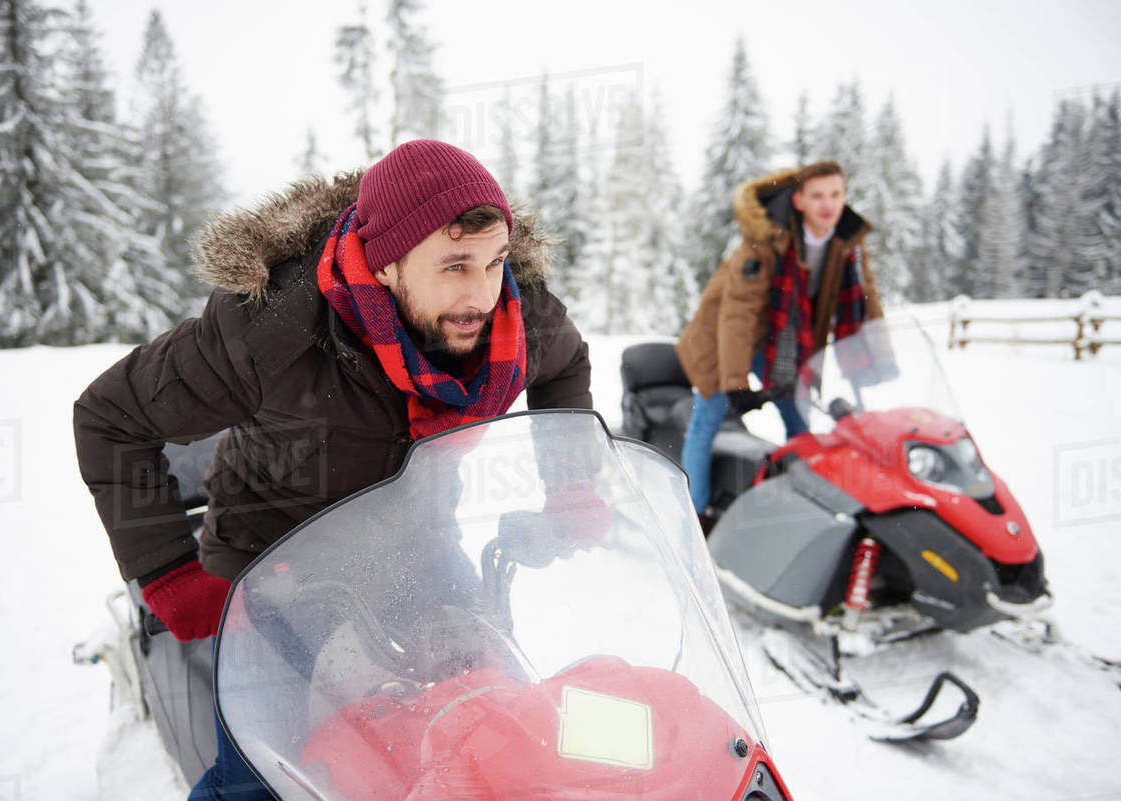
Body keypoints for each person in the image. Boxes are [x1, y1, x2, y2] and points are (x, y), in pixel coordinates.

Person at [73, 139, 592, 800]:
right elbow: (108, 415)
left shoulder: (515, 317)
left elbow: (566, 365)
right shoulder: (268, 331)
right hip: (272, 567)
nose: (482, 292)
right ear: (386, 265)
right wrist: (171, 572)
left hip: (421, 549)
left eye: (492, 263)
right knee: (259, 777)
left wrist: (573, 483)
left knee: (506, 726)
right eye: (454, 265)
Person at [675, 161, 883, 522]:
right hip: (725, 338)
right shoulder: (766, 237)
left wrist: (877, 357)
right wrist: (736, 381)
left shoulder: (847, 243)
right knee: (707, 418)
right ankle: (692, 514)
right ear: (799, 201)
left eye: (835, 194)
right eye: (817, 195)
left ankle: (805, 507)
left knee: (798, 415)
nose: (828, 205)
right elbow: (737, 312)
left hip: (781, 343)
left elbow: (867, 300)